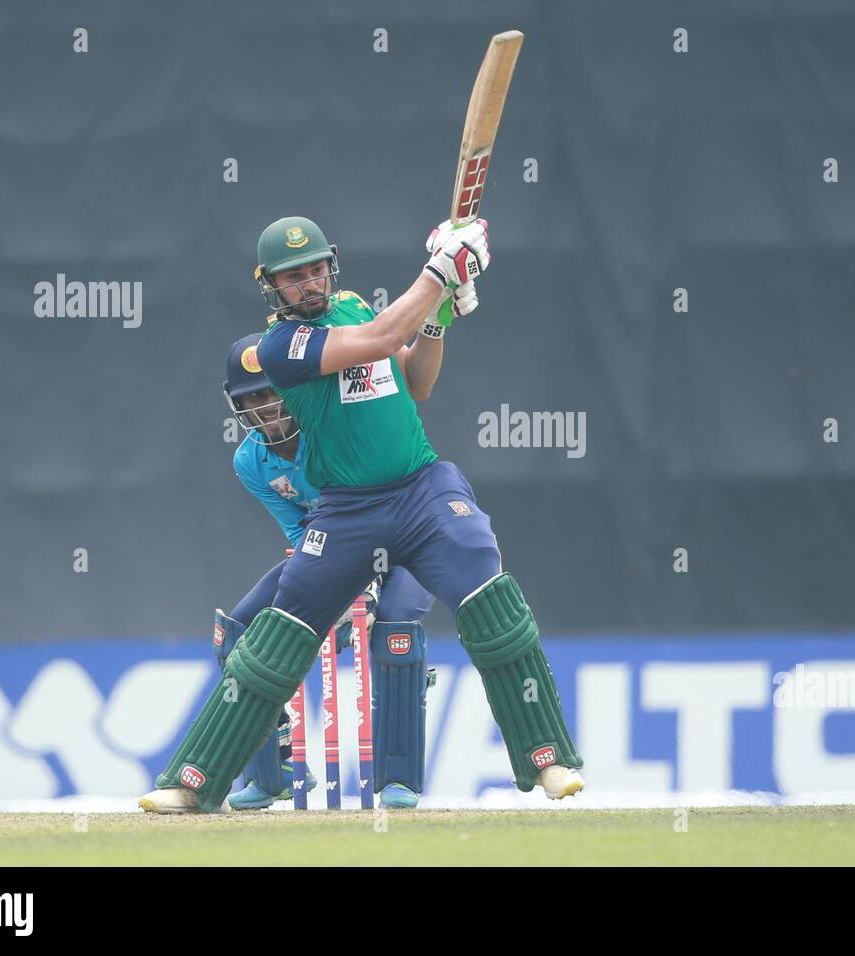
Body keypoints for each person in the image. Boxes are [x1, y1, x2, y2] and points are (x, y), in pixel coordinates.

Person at [140, 215, 583, 813]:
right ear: (271, 286)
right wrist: (437, 273)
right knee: (277, 635)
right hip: (348, 511)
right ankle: (193, 781)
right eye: (293, 277)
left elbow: (417, 380)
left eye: (317, 269)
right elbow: (375, 341)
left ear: (332, 267)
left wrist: (438, 316)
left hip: (422, 489)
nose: (310, 283)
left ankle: (546, 757)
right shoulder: (281, 348)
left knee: (485, 584)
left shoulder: (351, 307)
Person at [215, 332, 436, 810]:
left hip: (405, 546)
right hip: (332, 551)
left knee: (394, 631)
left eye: (273, 395)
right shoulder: (250, 460)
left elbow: (382, 501)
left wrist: (367, 585)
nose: (266, 410)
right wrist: (328, 586)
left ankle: (398, 778)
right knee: (236, 633)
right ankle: (275, 767)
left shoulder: (334, 429)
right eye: (251, 400)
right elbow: (301, 532)